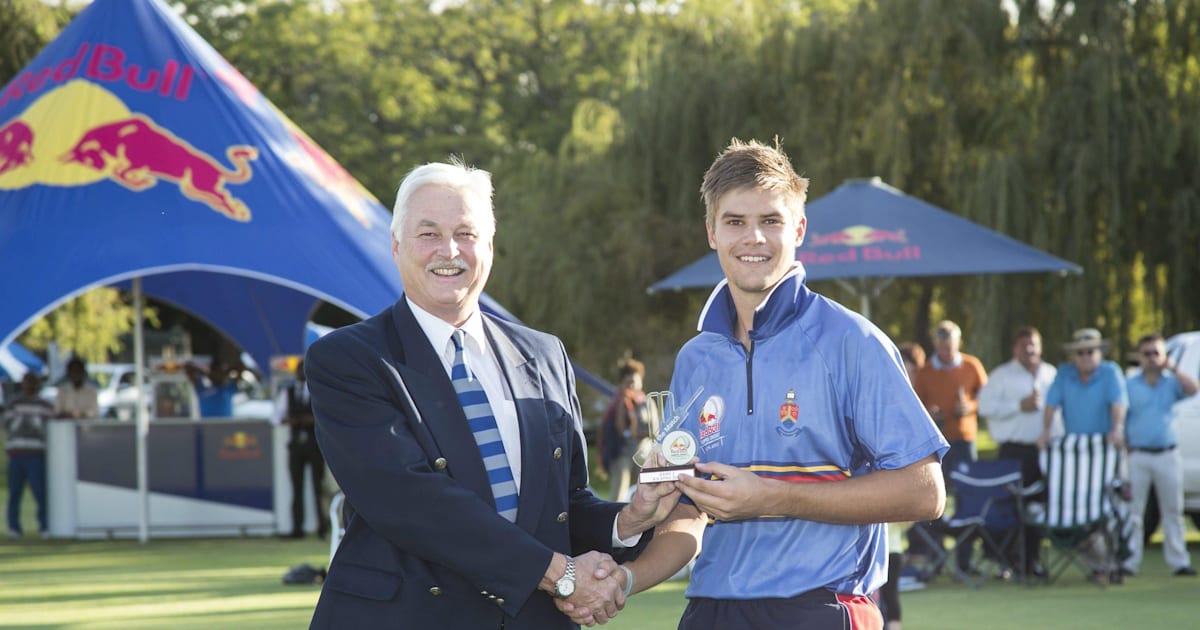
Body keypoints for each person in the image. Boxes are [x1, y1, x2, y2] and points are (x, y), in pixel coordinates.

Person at [581, 139, 947, 630]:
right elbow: (687, 513)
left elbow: (925, 492)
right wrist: (627, 579)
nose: (753, 237)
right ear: (712, 232)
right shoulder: (696, 358)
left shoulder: (852, 340)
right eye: (735, 221)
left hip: (818, 607)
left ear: (798, 229)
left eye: (770, 221)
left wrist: (774, 496)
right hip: (710, 610)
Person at [305, 159, 679, 629]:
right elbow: (411, 501)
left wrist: (630, 519)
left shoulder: (544, 354)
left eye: (466, 233)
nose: (449, 250)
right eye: (428, 234)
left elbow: (564, 505)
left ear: (490, 246)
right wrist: (560, 574)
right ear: (397, 246)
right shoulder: (348, 359)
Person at [1039, 327, 1129, 583]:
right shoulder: (1064, 374)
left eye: (1091, 352)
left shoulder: (1111, 372)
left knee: (1116, 507)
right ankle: (1098, 565)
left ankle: (1118, 562)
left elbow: (1118, 404)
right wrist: (1045, 431)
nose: (1086, 356)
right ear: (1073, 356)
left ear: (1099, 353)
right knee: (1075, 508)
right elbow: (1050, 405)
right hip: (1076, 458)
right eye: (1080, 353)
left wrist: (1117, 429)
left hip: (1107, 452)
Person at [977, 326, 1059, 577]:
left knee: (1037, 507)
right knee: (1012, 508)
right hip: (1013, 452)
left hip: (1045, 451)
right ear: (1015, 349)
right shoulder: (1001, 375)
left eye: (1033, 344)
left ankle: (1031, 560)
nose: (1030, 349)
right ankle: (1010, 560)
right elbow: (983, 406)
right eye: (1024, 345)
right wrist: (1017, 406)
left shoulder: (1051, 374)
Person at [1120, 332, 1198, 577]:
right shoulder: (1130, 385)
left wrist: (1173, 367)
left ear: (1163, 356)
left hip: (1168, 454)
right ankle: (1129, 562)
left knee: (1172, 511)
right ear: (1139, 357)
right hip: (1139, 455)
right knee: (1133, 512)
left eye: (1156, 353)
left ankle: (1178, 562)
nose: (1152, 358)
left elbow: (1193, 388)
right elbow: (1120, 417)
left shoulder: (1171, 382)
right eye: (1147, 353)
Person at [912, 320, 987, 575]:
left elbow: (985, 398)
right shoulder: (925, 373)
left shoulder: (972, 366)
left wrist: (971, 408)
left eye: (950, 345)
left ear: (958, 342)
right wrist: (928, 414)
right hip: (935, 445)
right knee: (932, 499)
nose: (945, 350)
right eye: (941, 345)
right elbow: (913, 405)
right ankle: (936, 557)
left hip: (964, 441)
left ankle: (965, 561)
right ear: (935, 343)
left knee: (968, 498)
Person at [274, 359, 329, 539]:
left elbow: (327, 415)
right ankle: (297, 528)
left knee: (318, 487)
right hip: (296, 444)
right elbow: (276, 417)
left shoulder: (318, 391)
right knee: (296, 487)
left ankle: (323, 528)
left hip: (315, 444)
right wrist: (293, 421)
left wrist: (312, 420)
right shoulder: (288, 392)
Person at [4, 372, 55, 537]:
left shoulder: (44, 404)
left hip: (36, 453)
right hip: (16, 452)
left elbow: (48, 427)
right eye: (27, 382)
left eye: (33, 382)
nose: (30, 385)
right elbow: (8, 424)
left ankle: (44, 525)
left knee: (40, 492)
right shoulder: (14, 402)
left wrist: (33, 422)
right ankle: (14, 527)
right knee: (15, 492)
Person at [598, 358, 650, 501]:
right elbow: (621, 429)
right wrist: (643, 434)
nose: (632, 386)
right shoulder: (620, 401)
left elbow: (655, 427)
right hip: (622, 454)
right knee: (619, 495)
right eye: (629, 383)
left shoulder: (646, 401)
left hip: (642, 454)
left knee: (641, 495)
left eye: (635, 382)